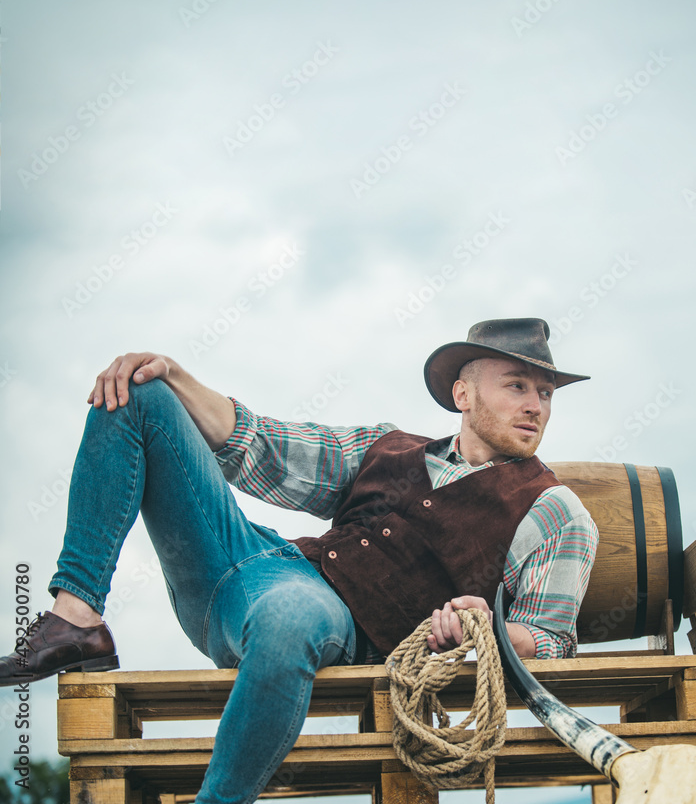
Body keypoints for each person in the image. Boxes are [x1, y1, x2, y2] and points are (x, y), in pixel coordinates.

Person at [0, 317, 598, 804]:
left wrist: (485, 628)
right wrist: (177, 375)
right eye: (516, 385)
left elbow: (552, 641)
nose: (536, 406)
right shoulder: (386, 447)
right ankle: (76, 615)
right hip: (254, 562)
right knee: (138, 392)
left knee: (291, 616)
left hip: (327, 622)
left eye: (545, 393)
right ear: (463, 395)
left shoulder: (553, 510)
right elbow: (261, 442)